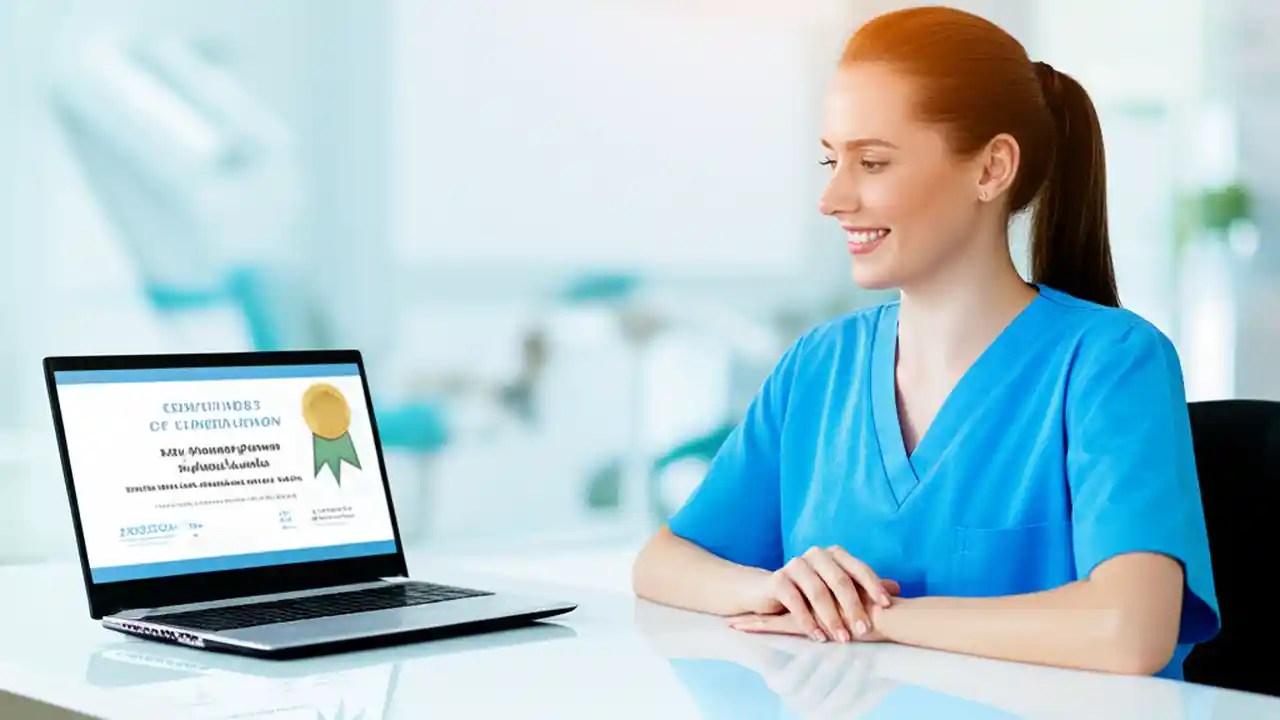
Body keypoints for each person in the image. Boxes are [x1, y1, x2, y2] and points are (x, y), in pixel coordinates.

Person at [630, 5, 1220, 680]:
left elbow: (1129, 633)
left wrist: (874, 617)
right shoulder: (818, 366)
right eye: (831, 160)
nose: (831, 197)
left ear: (992, 169)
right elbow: (664, 562)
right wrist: (779, 591)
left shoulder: (1111, 363)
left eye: (872, 162)